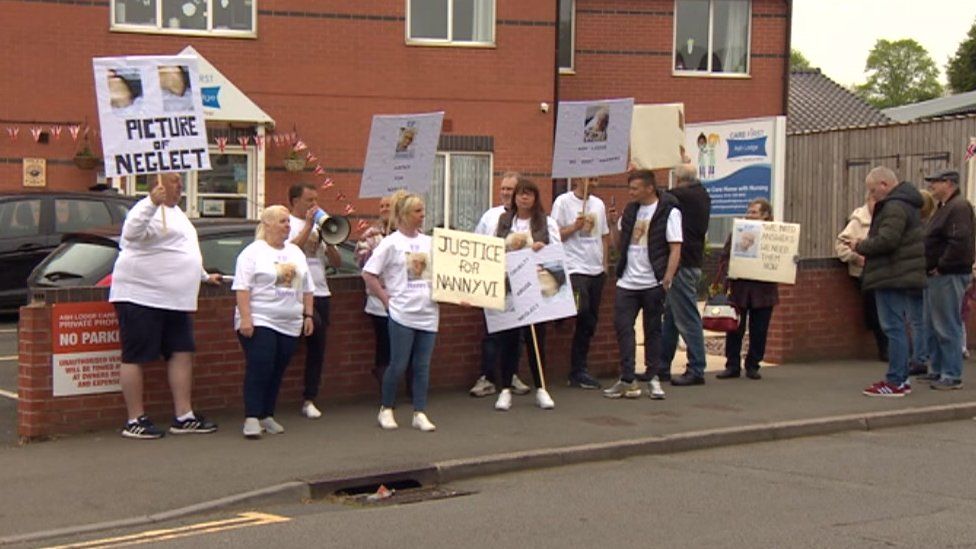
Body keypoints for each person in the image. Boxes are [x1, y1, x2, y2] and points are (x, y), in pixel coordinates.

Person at [109, 172, 220, 439]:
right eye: (174, 181)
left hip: (175, 299)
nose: (180, 184)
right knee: (135, 355)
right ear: (157, 185)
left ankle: (184, 415)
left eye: (180, 181)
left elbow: (183, 249)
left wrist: (203, 275)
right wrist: (150, 202)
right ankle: (134, 419)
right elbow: (131, 234)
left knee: (182, 352)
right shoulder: (144, 209)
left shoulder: (177, 213)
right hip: (141, 296)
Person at [233, 205, 315, 438]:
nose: (287, 226)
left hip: (289, 320)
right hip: (261, 318)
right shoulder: (252, 252)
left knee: (278, 368)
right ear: (267, 224)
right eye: (282, 222)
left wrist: (308, 315)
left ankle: (267, 414)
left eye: (288, 222)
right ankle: (251, 417)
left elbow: (307, 287)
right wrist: (246, 319)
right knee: (261, 364)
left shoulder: (295, 253)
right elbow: (242, 288)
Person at [362, 193, 439, 432]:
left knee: (422, 365)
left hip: (428, 312)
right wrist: (385, 299)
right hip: (402, 313)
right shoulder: (390, 242)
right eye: (417, 211)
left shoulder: (429, 242)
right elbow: (368, 273)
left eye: (422, 210)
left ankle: (420, 411)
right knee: (398, 364)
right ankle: (386, 408)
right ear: (405, 215)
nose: (422, 215)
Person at [604, 169, 682, 399]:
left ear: (650, 188)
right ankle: (628, 378)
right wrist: (611, 225)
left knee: (652, 329)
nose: (631, 192)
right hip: (627, 281)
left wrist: (667, 277)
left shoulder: (669, 211)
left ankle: (653, 377)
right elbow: (620, 244)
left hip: (652, 280)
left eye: (635, 188)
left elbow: (675, 246)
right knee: (623, 327)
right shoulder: (630, 211)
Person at [848, 167, 926, 397]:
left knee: (893, 328)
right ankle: (901, 379)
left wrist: (860, 246)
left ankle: (895, 381)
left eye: (873, 190)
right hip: (903, 273)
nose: (873, 196)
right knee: (900, 327)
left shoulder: (894, 206)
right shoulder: (908, 204)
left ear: (884, 184)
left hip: (892, 274)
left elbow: (888, 240)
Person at [491, 178, 561, 411]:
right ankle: (504, 390)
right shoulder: (503, 220)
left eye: (529, 194)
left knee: (535, 340)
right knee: (507, 340)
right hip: (508, 285)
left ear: (535, 198)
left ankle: (541, 388)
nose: (524, 197)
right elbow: (493, 246)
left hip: (534, 288)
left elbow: (556, 251)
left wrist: (543, 248)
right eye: (520, 193)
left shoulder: (545, 221)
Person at [468, 172, 531, 398]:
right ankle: (487, 377)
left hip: (520, 282)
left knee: (518, 334)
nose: (505, 193)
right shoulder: (490, 216)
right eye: (503, 188)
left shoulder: (527, 219)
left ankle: (511, 375)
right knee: (492, 333)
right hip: (494, 281)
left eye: (510, 189)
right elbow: (477, 245)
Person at [287, 183, 341, 419]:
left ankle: (310, 399)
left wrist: (330, 242)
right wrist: (308, 226)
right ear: (294, 201)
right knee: (286, 348)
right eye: (309, 200)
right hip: (295, 294)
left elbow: (337, 263)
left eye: (316, 200)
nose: (314, 205)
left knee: (317, 349)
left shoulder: (322, 226)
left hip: (320, 292)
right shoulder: (286, 223)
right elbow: (289, 252)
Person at [552, 177, 610, 390]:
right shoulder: (563, 202)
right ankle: (560, 314)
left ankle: (578, 370)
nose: (595, 182)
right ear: (578, 179)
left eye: (597, 178)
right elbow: (554, 235)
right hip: (574, 267)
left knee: (589, 322)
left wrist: (604, 264)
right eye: (591, 178)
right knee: (581, 308)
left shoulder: (599, 204)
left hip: (595, 269)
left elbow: (604, 235)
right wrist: (574, 227)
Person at [920, 169, 975, 389]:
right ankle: (938, 369)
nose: (932, 185)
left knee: (946, 324)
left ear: (949, 184)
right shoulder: (945, 208)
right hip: (938, 274)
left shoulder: (958, 207)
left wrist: (942, 266)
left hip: (948, 275)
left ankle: (951, 374)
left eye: (936, 181)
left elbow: (959, 241)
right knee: (933, 324)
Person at [659, 163, 711, 386]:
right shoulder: (702, 195)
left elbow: (660, 196)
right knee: (671, 318)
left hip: (682, 263)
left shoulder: (682, 197)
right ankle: (661, 366)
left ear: (679, 180)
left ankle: (696, 367)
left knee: (687, 316)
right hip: (693, 261)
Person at [716, 198, 779, 380]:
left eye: (754, 212)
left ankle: (753, 365)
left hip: (764, 291)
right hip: (740, 289)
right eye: (748, 211)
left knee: (759, 330)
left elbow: (781, 258)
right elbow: (724, 256)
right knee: (734, 328)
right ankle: (732, 365)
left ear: (766, 215)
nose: (749, 215)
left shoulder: (775, 234)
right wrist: (730, 268)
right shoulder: (737, 232)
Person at [836, 192, 888, 362]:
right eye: (875, 201)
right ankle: (884, 349)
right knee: (877, 310)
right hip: (866, 274)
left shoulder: (890, 219)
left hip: (887, 273)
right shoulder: (858, 221)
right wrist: (856, 258)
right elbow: (841, 246)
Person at [356, 192, 396, 387]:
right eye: (381, 206)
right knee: (385, 344)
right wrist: (376, 251)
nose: (384, 209)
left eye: (388, 205)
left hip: (403, 299)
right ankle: (385, 384)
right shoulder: (372, 234)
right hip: (379, 300)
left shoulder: (411, 233)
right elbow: (361, 260)